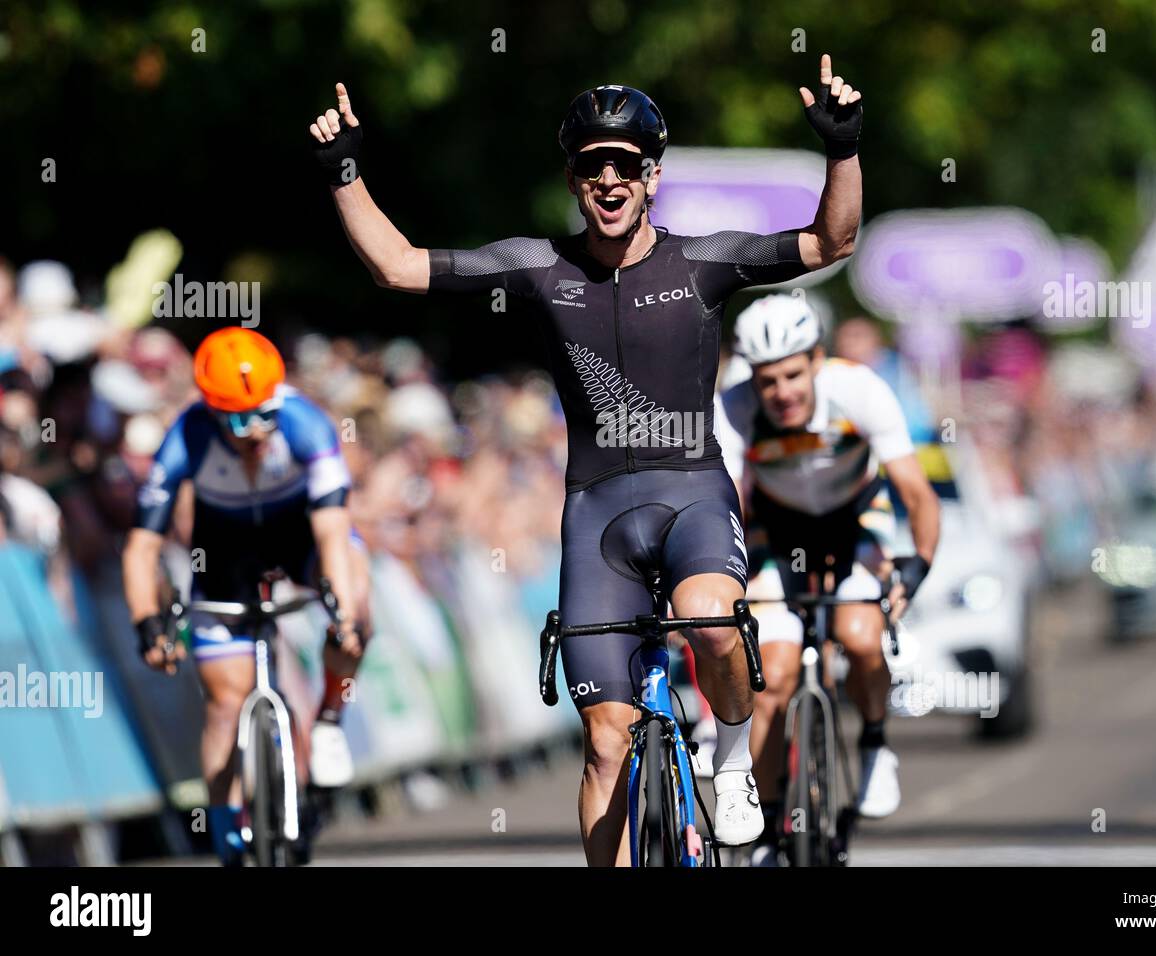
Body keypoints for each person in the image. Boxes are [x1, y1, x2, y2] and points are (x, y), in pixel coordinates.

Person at [309, 54, 863, 864]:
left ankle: (736, 757)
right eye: (592, 167)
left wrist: (843, 150)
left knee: (712, 625)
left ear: (652, 177)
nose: (610, 180)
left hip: (692, 499)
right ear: (574, 180)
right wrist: (343, 171)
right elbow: (398, 267)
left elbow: (831, 239)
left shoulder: (702, 262)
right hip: (595, 514)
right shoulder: (540, 269)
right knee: (606, 744)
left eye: (626, 166)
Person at [121, 327, 371, 865]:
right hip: (224, 555)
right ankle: (225, 827)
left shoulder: (304, 423)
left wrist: (344, 615)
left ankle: (329, 717)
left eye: (263, 413)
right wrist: (146, 622)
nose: (255, 430)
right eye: (238, 420)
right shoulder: (185, 438)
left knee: (354, 576)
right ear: (212, 411)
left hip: (297, 537)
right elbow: (141, 547)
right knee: (225, 704)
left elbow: (331, 533)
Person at [714, 294, 941, 863]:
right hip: (776, 532)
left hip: (853, 521)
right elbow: (722, 503)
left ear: (816, 360)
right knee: (773, 678)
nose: (782, 393)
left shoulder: (858, 390)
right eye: (768, 381)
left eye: (793, 375)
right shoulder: (733, 407)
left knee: (862, 636)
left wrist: (917, 563)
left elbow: (915, 491)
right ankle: (766, 828)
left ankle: (873, 742)